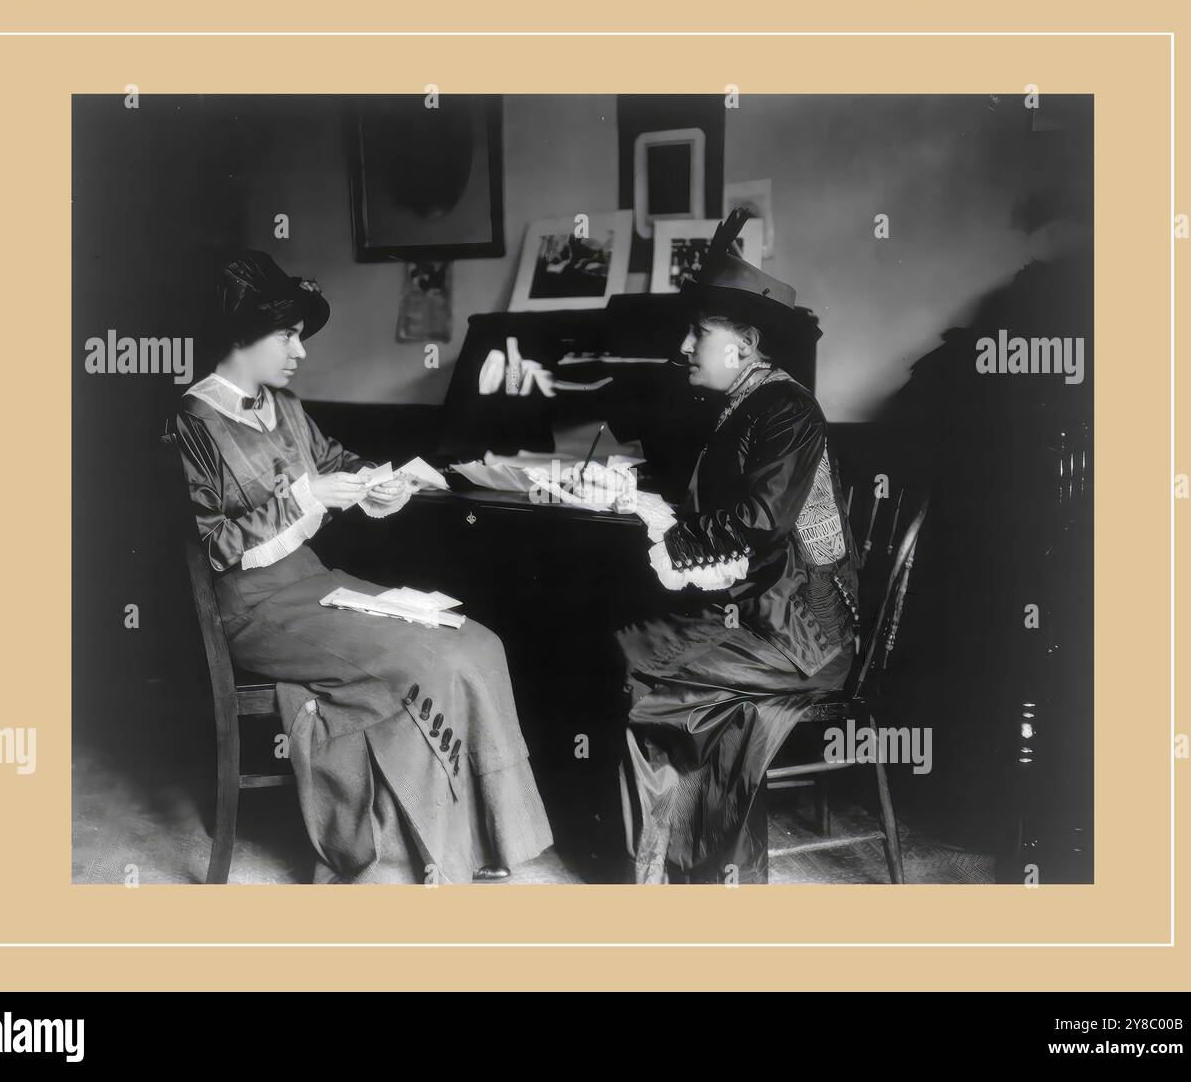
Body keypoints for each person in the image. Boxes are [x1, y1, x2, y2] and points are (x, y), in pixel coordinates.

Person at [174, 249, 553, 884]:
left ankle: (486, 842)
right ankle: (418, 855)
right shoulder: (192, 422)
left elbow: (337, 460)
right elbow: (213, 545)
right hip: (248, 606)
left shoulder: (286, 405)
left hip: (311, 581)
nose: (300, 351)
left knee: (473, 641)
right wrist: (306, 496)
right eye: (287, 336)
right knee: (426, 661)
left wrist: (374, 483)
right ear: (243, 335)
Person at [613, 209, 862, 884]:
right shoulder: (739, 408)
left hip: (803, 632)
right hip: (760, 612)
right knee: (632, 645)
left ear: (746, 343)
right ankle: (673, 864)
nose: (685, 346)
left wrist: (665, 528)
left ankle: (675, 865)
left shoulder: (786, 411)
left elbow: (755, 521)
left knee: (636, 660)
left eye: (700, 333)